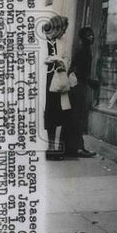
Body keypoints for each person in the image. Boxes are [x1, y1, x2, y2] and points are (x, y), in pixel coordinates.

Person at [63, 26, 99, 158]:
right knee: (77, 117)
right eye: (88, 35)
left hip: (77, 85)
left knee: (74, 117)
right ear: (82, 37)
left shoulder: (84, 49)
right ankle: (77, 148)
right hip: (78, 86)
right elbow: (77, 70)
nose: (91, 37)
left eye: (92, 34)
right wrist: (90, 81)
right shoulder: (83, 50)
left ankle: (72, 147)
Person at [43, 15, 71, 160]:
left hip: (58, 80)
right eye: (63, 29)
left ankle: (55, 148)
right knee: (48, 113)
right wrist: (48, 60)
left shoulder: (62, 41)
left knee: (57, 114)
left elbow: (66, 57)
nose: (64, 32)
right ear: (57, 28)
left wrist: (62, 62)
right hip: (45, 80)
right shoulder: (43, 39)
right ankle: (50, 146)